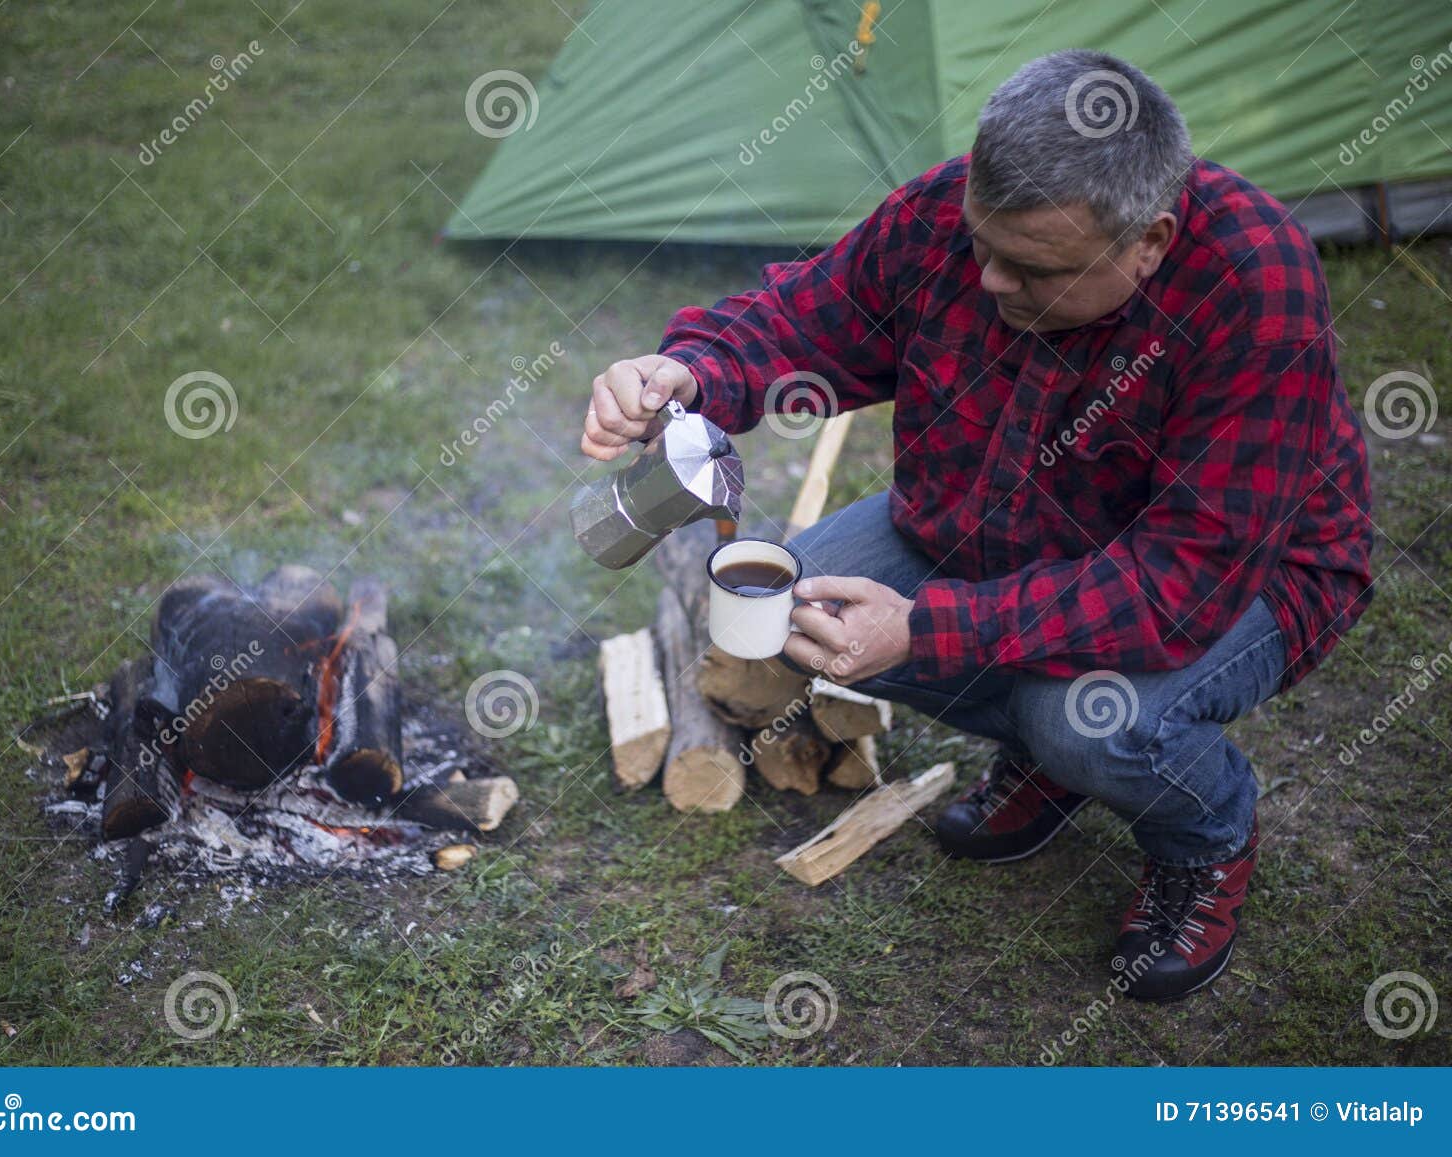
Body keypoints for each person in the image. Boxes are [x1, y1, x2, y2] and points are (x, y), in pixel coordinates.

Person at [578, 50, 1372, 1000]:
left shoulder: (1253, 287)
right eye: (980, 244)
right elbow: (808, 317)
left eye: (1031, 267)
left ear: (1148, 241)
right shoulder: (949, 214)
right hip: (1012, 525)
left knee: (1084, 718)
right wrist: (692, 371)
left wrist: (927, 627)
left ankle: (1205, 837)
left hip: (1249, 575)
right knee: (799, 598)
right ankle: (1047, 759)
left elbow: (1180, 583)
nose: (987, 278)